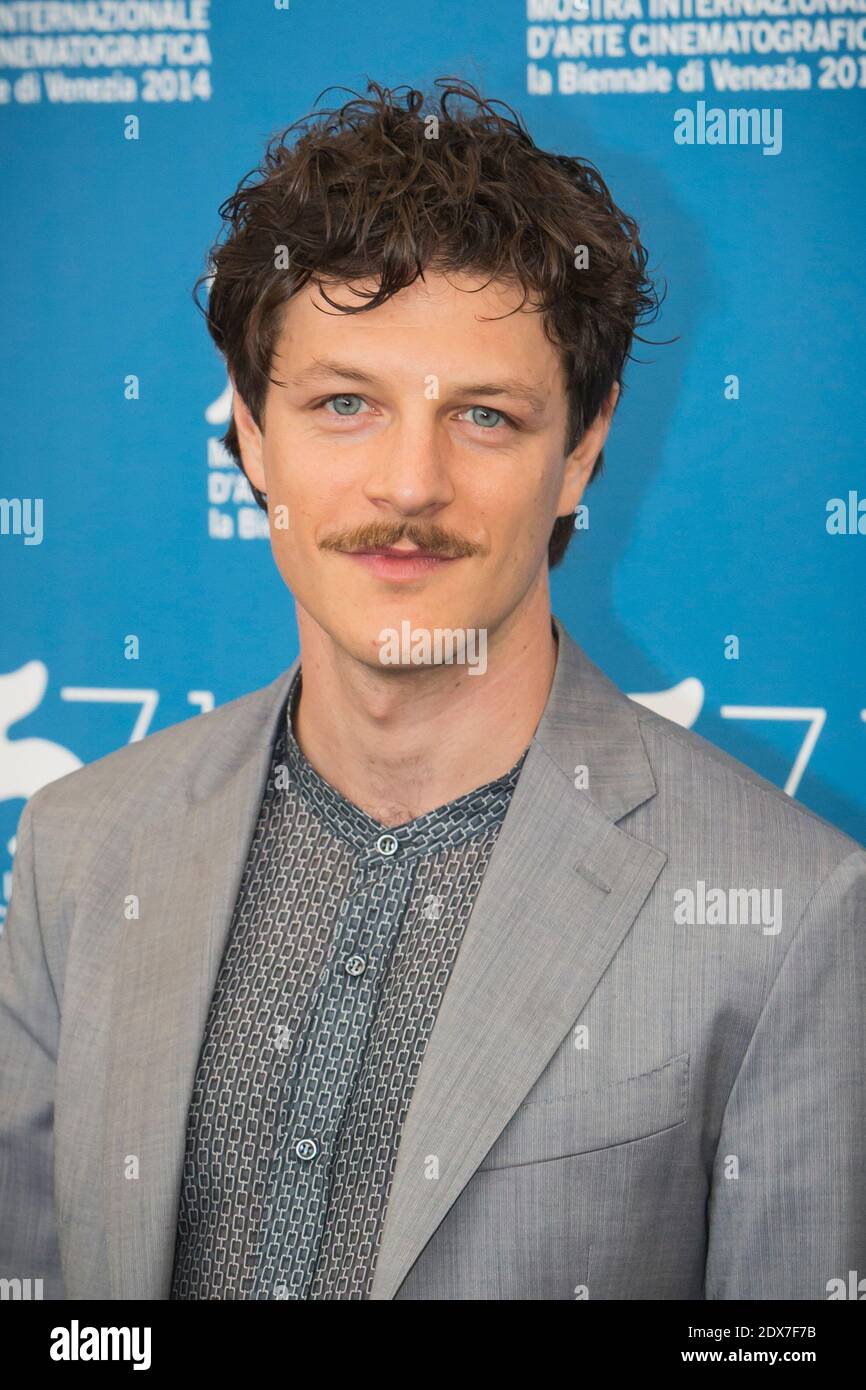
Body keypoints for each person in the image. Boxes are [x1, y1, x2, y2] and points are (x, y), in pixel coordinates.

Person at [1, 78, 863, 1302]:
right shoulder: (82, 851)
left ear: (581, 449)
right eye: (343, 404)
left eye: (486, 416)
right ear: (250, 432)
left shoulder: (791, 912)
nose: (409, 484)